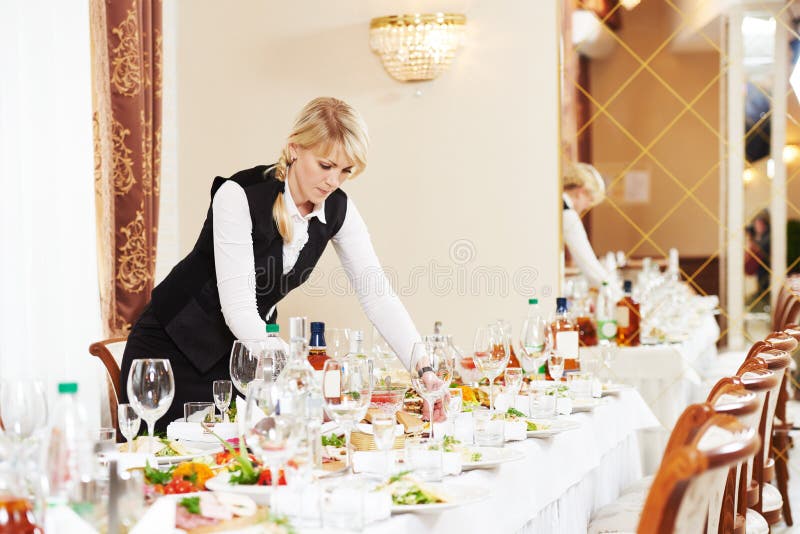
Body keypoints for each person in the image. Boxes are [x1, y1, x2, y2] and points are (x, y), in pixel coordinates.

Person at [120, 97, 446, 429]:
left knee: (239, 467)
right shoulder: (238, 195)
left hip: (242, 359)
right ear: (294, 149)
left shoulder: (338, 209)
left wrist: (424, 369)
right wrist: (299, 374)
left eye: (345, 170)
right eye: (325, 165)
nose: (334, 181)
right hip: (169, 352)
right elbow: (240, 310)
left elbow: (378, 296)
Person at [562, 162, 610, 287]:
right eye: (590, 200)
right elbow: (590, 266)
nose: (588, 206)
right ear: (580, 192)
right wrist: (621, 298)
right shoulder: (567, 215)